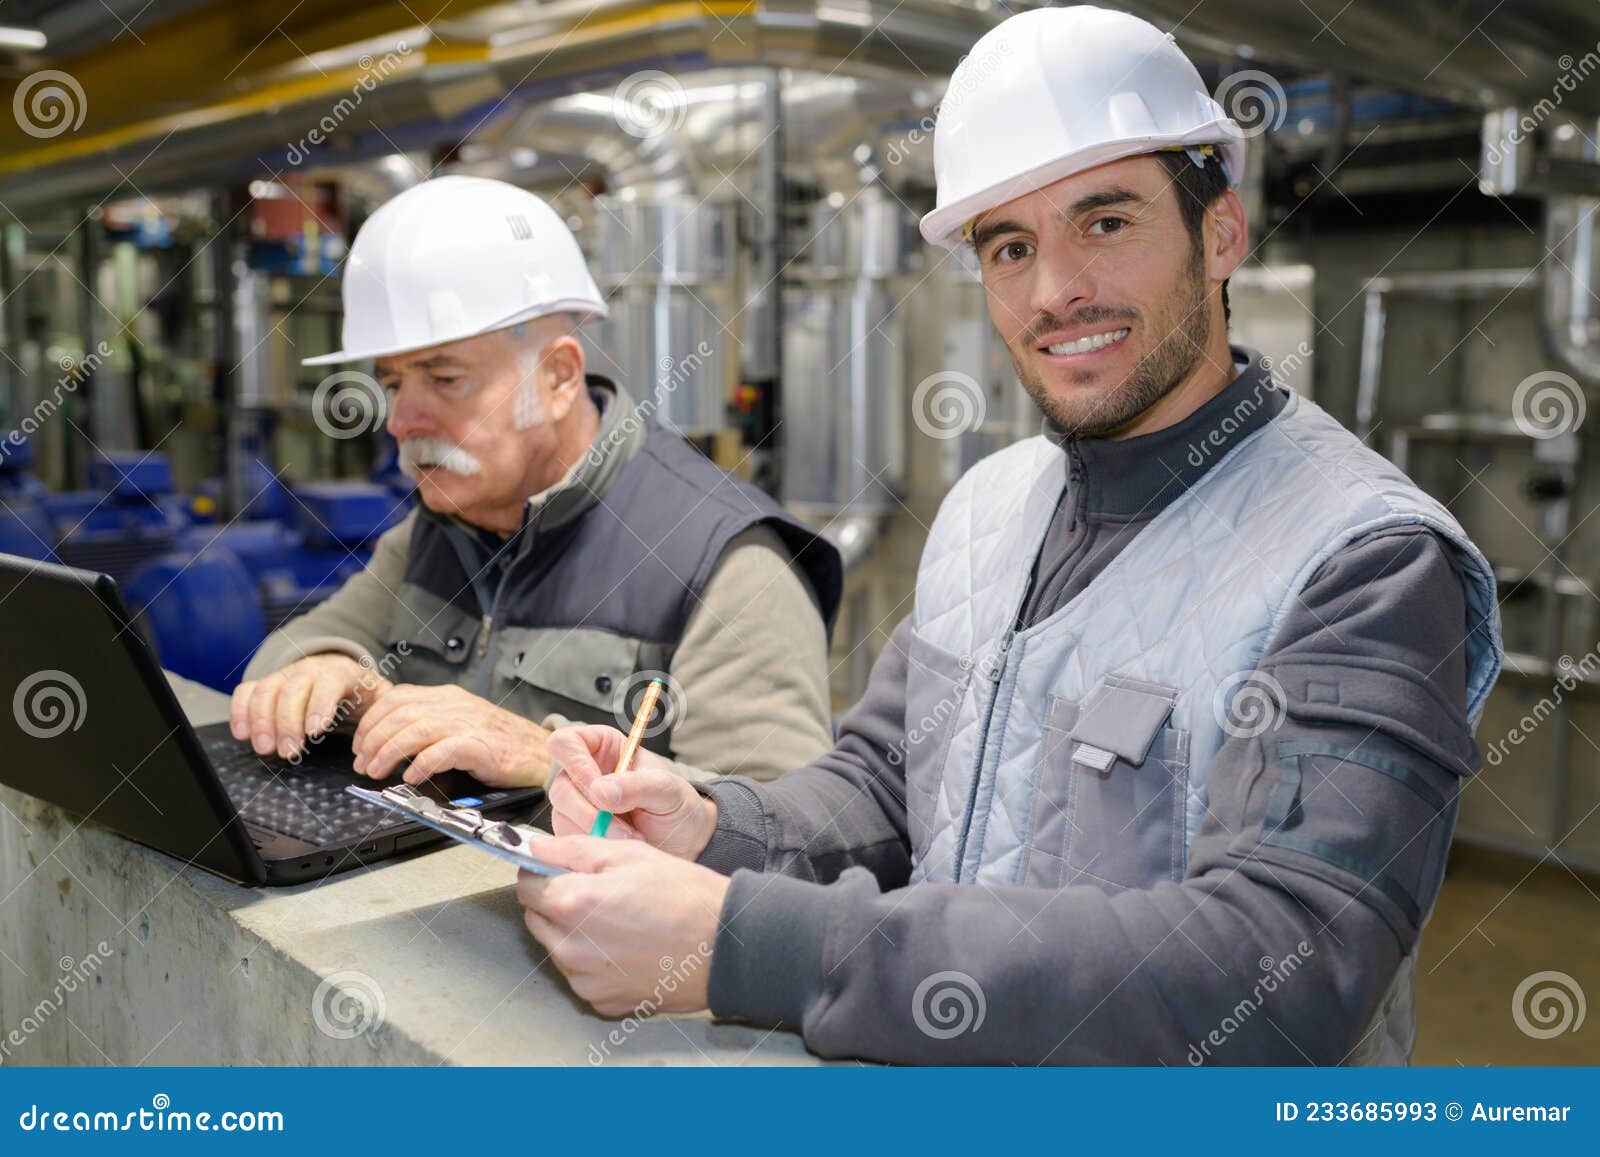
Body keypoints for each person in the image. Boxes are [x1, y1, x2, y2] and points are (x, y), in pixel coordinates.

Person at [514, 6, 1502, 1064]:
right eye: (1010, 245)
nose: (1053, 290)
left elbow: (1282, 962)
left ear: (1220, 231)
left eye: (1105, 222)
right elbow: (885, 783)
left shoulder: (1365, 559)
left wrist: (759, 944)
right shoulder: (988, 507)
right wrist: (717, 826)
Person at [230, 175, 842, 788]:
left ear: (557, 377)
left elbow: (784, 835)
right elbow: (295, 651)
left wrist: (545, 756)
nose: (401, 421)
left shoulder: (726, 561)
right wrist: (328, 669)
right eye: (392, 384)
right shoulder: (441, 530)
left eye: (444, 380)